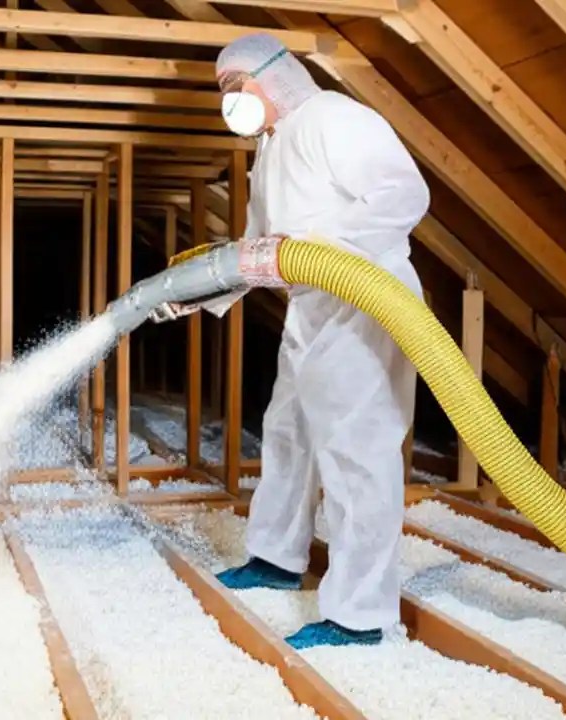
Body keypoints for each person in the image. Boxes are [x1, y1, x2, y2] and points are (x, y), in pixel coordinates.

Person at [210, 32, 429, 649]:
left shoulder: (334, 119)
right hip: (309, 306)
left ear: (275, 77)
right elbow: (258, 248)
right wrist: (201, 293)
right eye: (221, 91)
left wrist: (315, 251)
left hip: (367, 296)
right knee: (289, 429)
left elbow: (405, 195)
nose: (229, 101)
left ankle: (361, 616)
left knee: (359, 451)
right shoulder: (268, 151)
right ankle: (277, 558)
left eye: (235, 85)